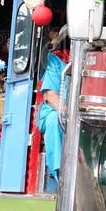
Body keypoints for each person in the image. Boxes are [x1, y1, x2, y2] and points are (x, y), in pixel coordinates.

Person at [37, 26, 69, 191]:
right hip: (54, 111)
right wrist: (69, 116)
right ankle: (60, 175)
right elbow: (50, 96)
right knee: (56, 121)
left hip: (77, 113)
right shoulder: (55, 60)